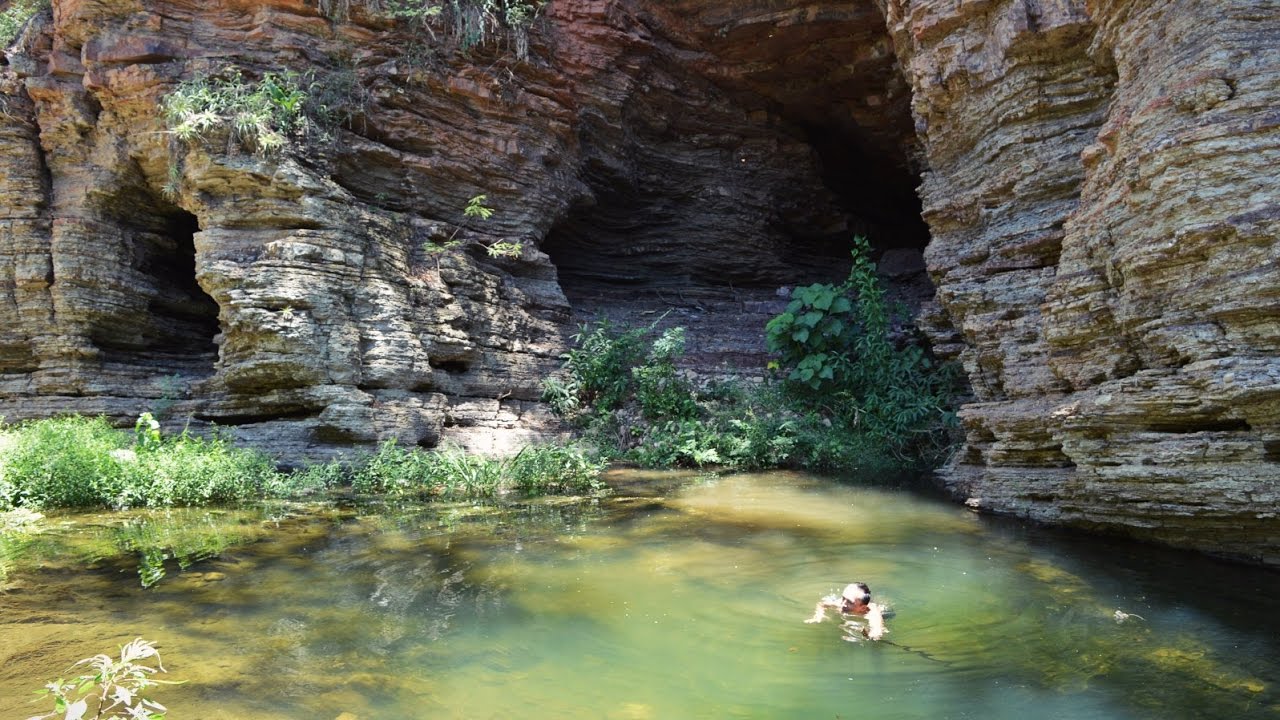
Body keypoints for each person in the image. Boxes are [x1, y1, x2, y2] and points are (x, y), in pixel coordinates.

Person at [805, 582, 887, 641]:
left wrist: (872, 634)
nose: (843, 604)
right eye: (843, 598)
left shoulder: (873, 613)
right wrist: (819, 615)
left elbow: (877, 630)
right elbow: (822, 604)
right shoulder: (839, 603)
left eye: (849, 602)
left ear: (863, 608)